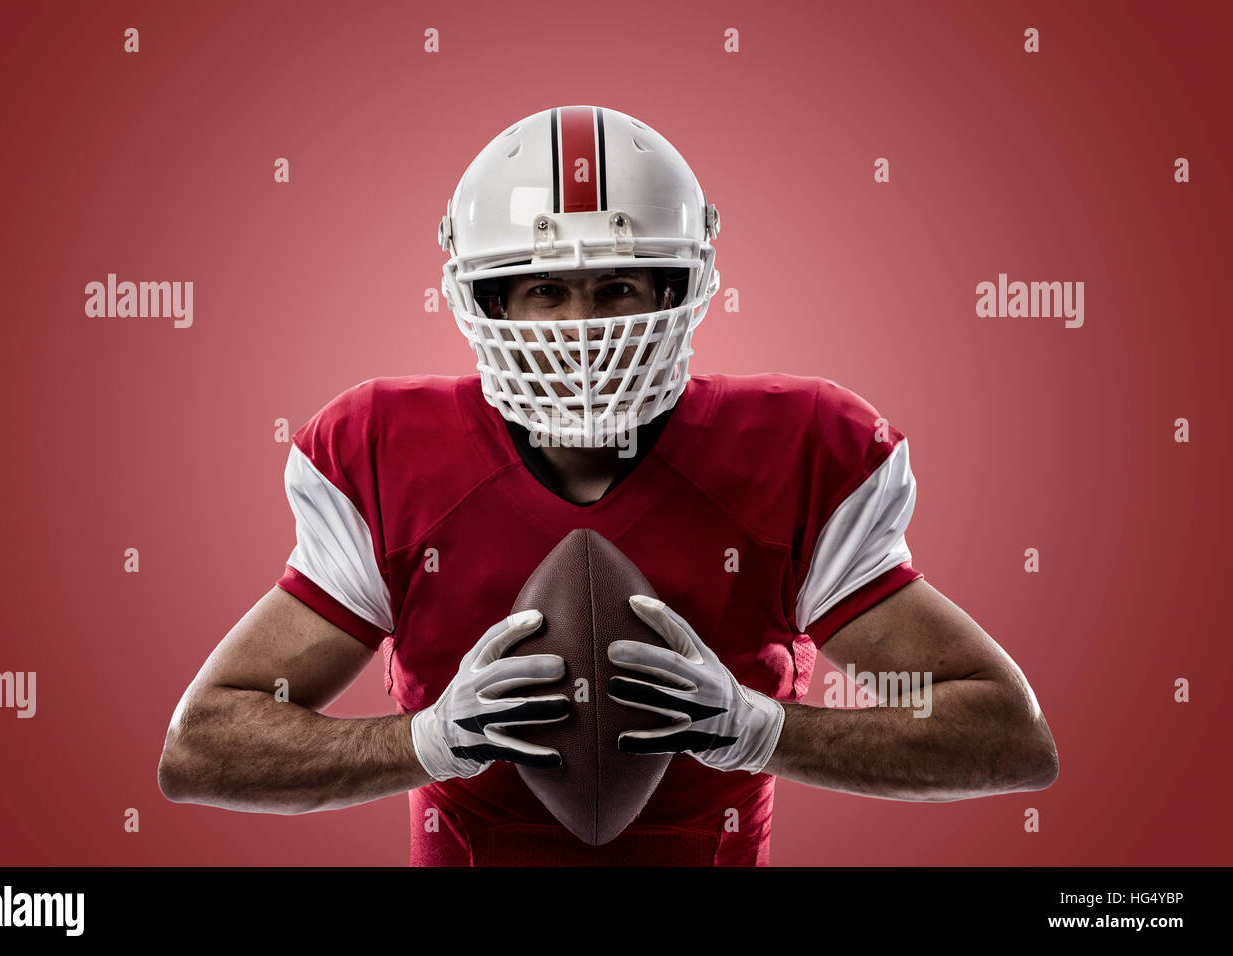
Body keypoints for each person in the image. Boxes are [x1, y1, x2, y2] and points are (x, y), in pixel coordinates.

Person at [157, 105, 1058, 866]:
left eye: (618, 286)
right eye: (545, 290)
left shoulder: (797, 449)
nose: (582, 329)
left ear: (680, 287)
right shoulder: (387, 450)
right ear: (487, 302)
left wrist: (761, 728)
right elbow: (204, 747)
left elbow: (1006, 736)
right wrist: (425, 742)